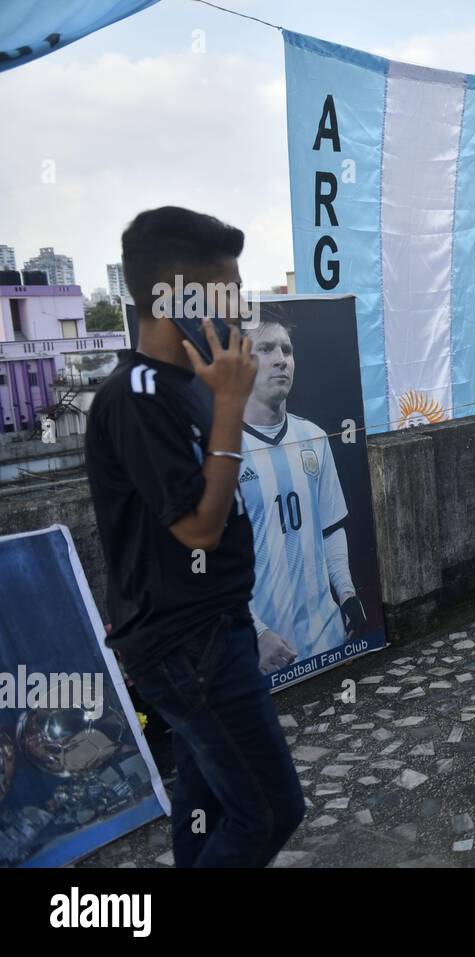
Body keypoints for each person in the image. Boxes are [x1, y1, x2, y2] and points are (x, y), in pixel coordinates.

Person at [85, 206, 304, 866]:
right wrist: (233, 411)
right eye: (225, 293)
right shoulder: (137, 394)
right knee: (269, 808)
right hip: (188, 643)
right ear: (171, 298)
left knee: (206, 801)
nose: (239, 310)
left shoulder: (187, 384)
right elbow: (200, 529)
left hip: (214, 626)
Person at [240, 318, 367, 666]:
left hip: (327, 637)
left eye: (287, 349)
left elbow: (330, 528)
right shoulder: (218, 452)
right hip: (265, 649)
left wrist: (347, 593)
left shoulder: (314, 436)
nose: (281, 359)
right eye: (266, 349)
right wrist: (256, 631)